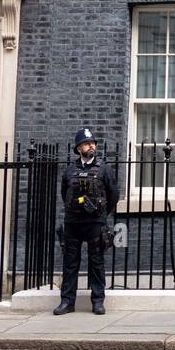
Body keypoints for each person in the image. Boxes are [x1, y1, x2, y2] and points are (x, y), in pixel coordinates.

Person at [54, 127, 119, 315]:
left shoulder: (105, 169)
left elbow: (113, 194)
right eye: (86, 143)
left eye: (92, 143)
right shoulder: (69, 170)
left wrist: (102, 214)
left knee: (97, 262)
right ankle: (67, 302)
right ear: (78, 148)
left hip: (95, 223)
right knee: (70, 263)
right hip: (73, 223)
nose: (91, 146)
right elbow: (64, 193)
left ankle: (98, 301)